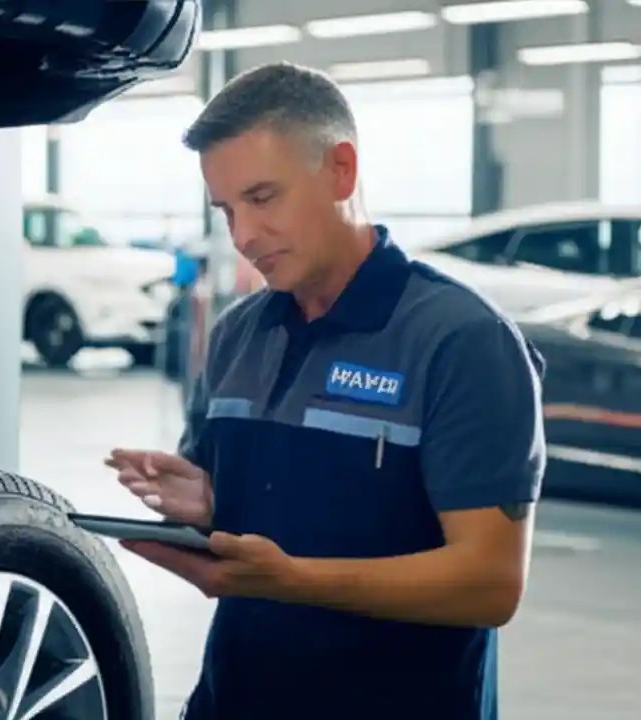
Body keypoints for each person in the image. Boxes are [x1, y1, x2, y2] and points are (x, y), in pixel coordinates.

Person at [106, 61, 546, 720]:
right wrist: (210, 505)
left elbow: (490, 583)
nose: (243, 236)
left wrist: (293, 581)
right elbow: (257, 517)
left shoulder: (463, 341)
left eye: (262, 198)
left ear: (341, 170)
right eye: (226, 210)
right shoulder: (237, 335)